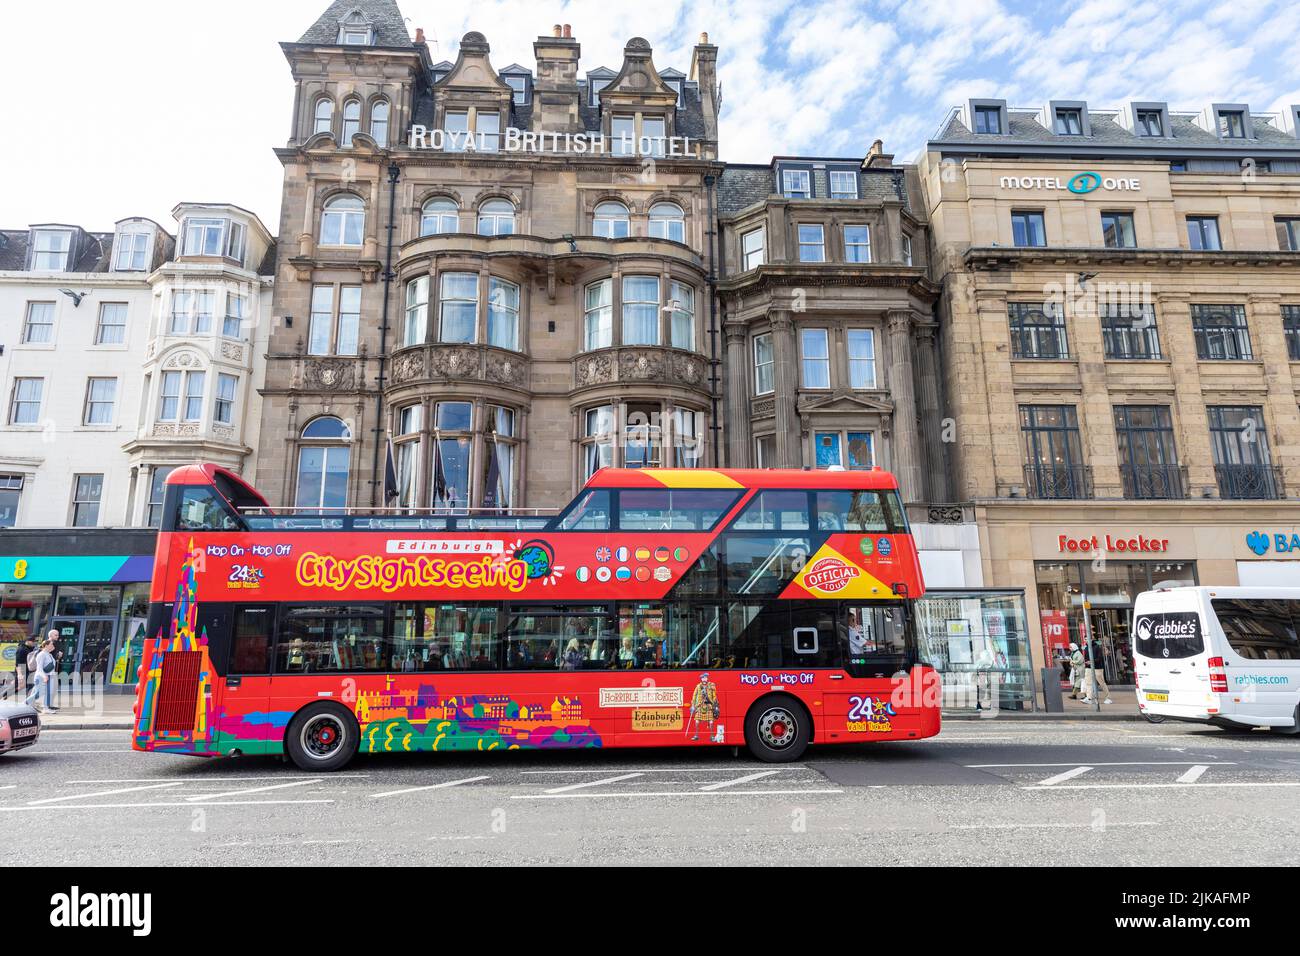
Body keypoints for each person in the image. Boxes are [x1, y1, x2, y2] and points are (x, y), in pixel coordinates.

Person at [25, 633, 58, 713]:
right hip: (41, 676)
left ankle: (46, 708)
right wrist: (44, 676)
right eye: (51, 644)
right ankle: (25, 704)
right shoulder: (41, 654)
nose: (53, 646)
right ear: (46, 646)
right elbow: (39, 668)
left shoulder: (49, 654)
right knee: (39, 693)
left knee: (48, 693)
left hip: (49, 676)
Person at [1082, 639, 1112, 705]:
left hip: (1097, 667)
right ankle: (1089, 698)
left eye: (1087, 638)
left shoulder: (1097, 647)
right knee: (1088, 683)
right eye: (1085, 639)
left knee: (1101, 683)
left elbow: (1100, 657)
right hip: (1088, 667)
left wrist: (1092, 661)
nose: (1086, 640)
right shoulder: (1086, 648)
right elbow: (1086, 657)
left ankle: (1108, 698)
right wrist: (1087, 662)